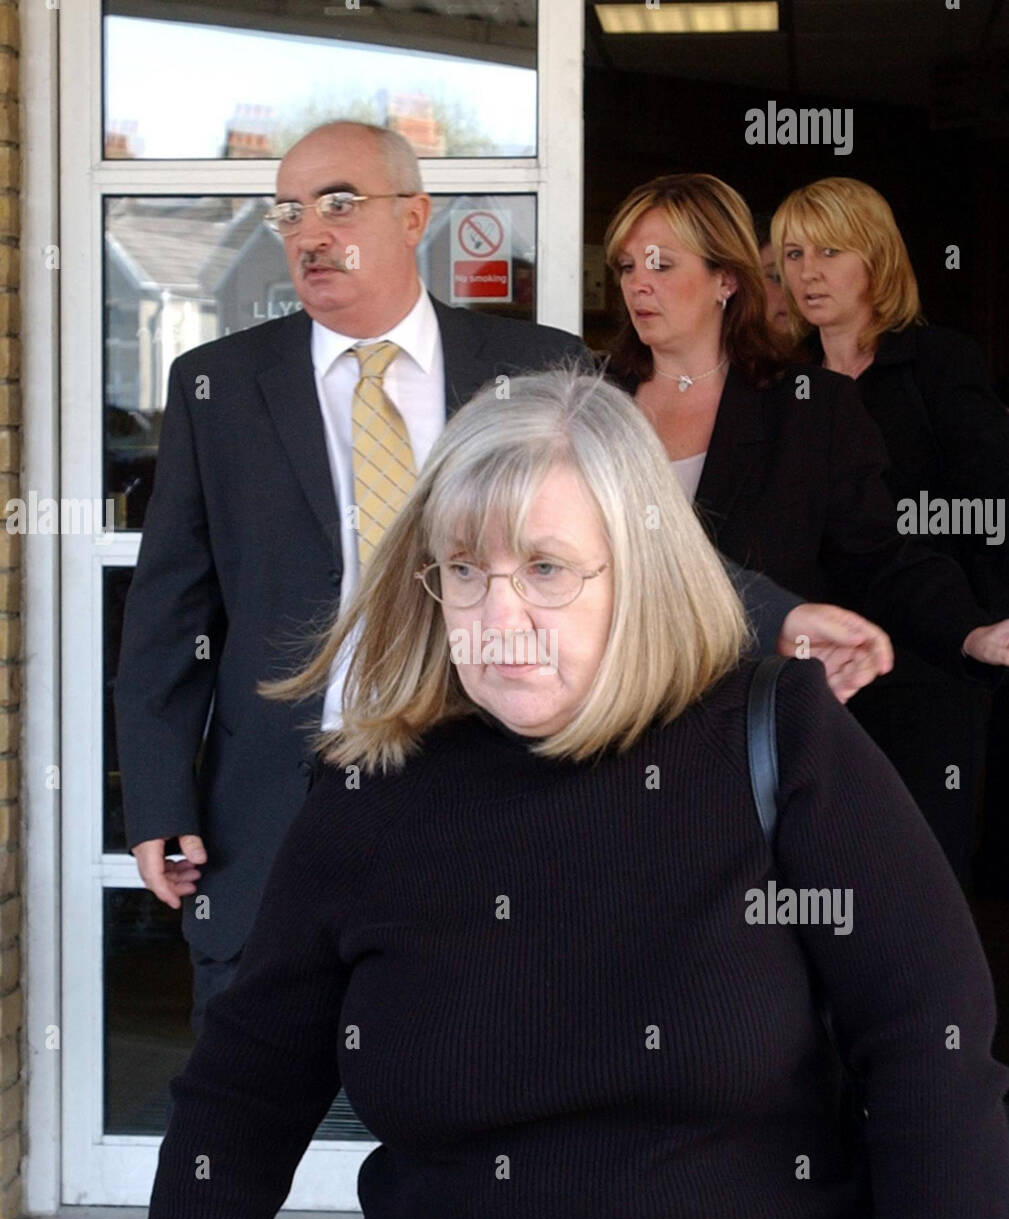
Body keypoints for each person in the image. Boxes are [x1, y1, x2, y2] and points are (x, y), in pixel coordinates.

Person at [132, 369, 1009, 1219]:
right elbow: (243, 1096)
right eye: (465, 570)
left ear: (639, 569)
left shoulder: (779, 743)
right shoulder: (371, 791)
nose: (497, 619)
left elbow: (932, 1054)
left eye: (545, 569)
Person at [113, 126, 895, 1034]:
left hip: (487, 767)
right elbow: (170, 611)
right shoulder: (217, 383)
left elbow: (645, 538)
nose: (309, 235)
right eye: (288, 213)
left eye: (337, 204)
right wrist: (160, 798)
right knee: (249, 1084)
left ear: (413, 216)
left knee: (481, 1054)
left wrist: (785, 620)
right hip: (285, 792)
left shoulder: (531, 365)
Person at [601, 173, 1009, 872]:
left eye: (664, 264)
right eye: (627, 266)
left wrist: (970, 630)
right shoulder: (588, 401)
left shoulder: (806, 407)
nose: (640, 283)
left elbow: (876, 556)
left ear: (725, 279)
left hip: (748, 738)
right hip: (610, 735)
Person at [771, 176, 1009, 886]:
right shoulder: (783, 381)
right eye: (790, 253)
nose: (806, 272)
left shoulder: (935, 362)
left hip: (932, 656)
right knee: (822, 871)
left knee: (919, 875)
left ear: (875, 258)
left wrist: (981, 627)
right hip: (818, 663)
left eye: (830, 251)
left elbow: (993, 496)